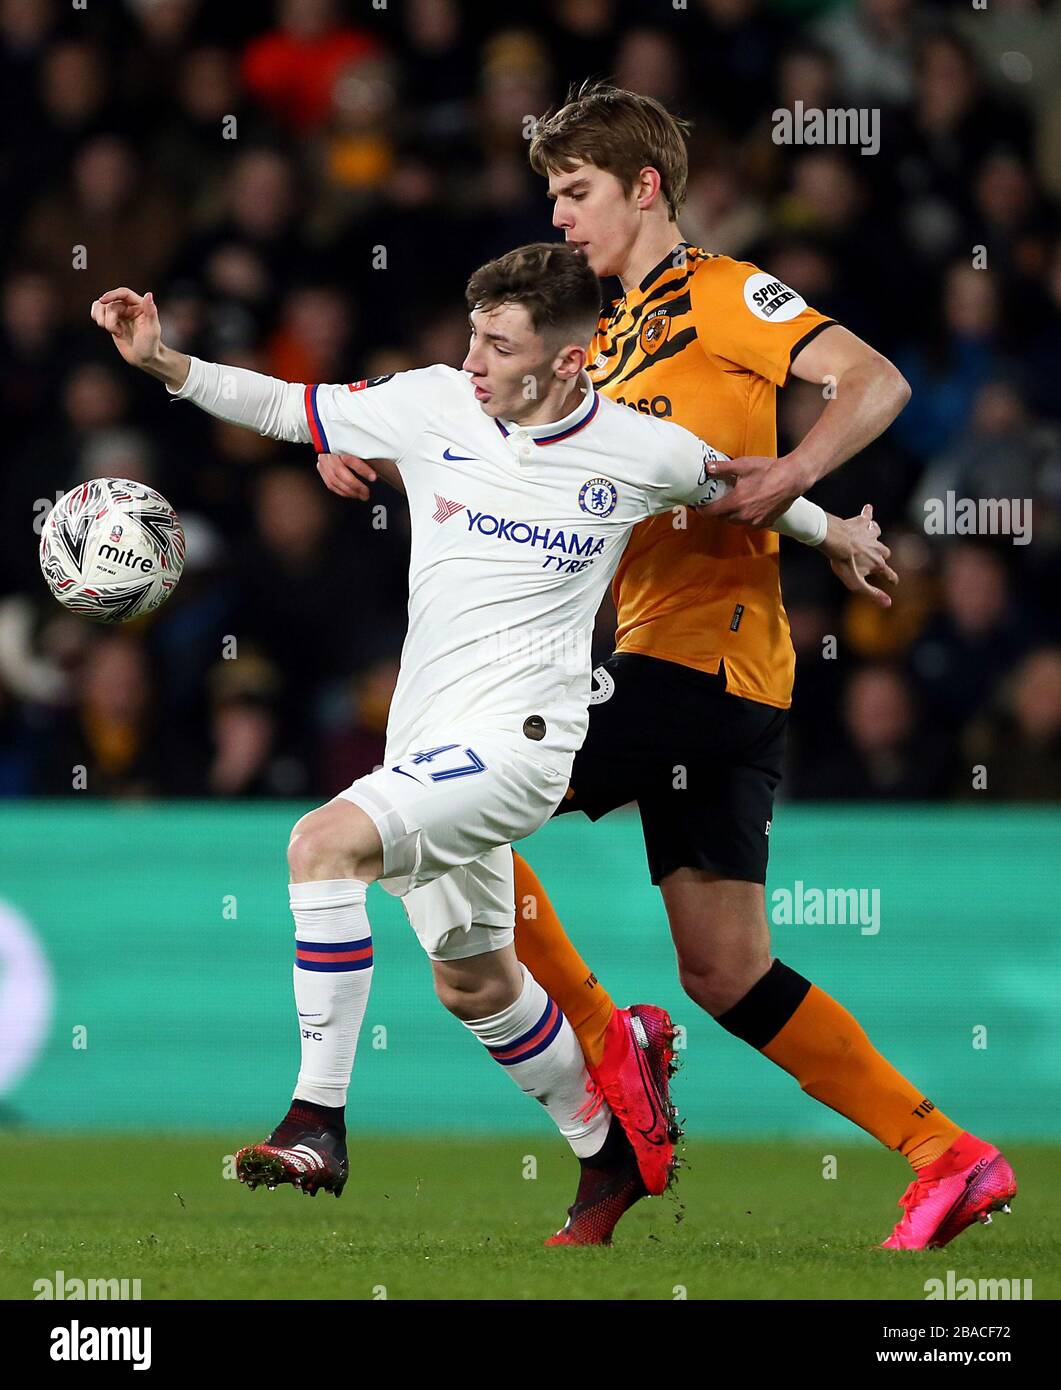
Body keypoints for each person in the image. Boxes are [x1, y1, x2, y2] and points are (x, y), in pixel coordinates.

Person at [320, 82, 1017, 1251]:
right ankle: (945, 1151)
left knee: (443, 819)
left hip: (695, 661)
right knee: (726, 968)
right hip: (702, 674)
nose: (560, 212)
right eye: (550, 190)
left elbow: (875, 382)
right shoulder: (601, 329)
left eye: (577, 190)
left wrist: (798, 474)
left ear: (645, 188)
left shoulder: (723, 294)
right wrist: (361, 440)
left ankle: (606, 1049)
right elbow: (504, 432)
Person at [90, 242, 892, 1244]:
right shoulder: (432, 401)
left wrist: (841, 535)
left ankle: (316, 1119)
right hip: (423, 745)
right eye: (472, 332)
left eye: (498, 342)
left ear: (564, 361)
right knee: (472, 980)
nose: (473, 358)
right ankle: (604, 1153)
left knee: (320, 845)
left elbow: (743, 485)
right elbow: (283, 406)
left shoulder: (638, 450)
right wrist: (163, 362)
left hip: (521, 745)